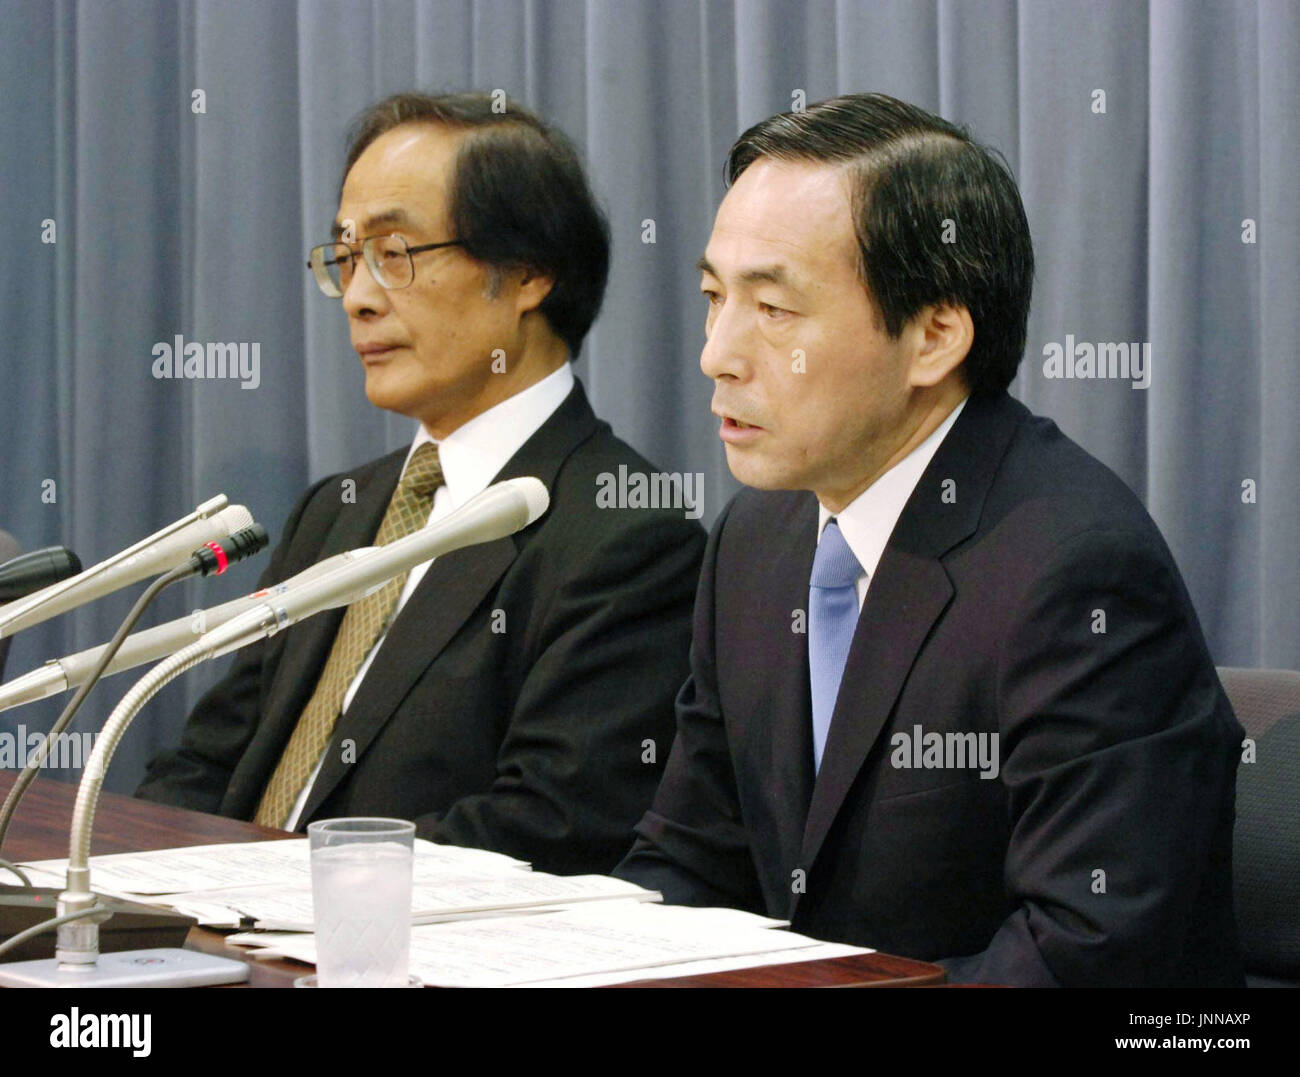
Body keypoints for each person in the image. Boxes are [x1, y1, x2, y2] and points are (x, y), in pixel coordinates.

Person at [614, 92, 1244, 986]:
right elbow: (687, 858)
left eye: (774, 310)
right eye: (715, 298)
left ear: (935, 335)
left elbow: (1086, 952)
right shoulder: (756, 539)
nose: (717, 352)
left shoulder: (1074, 569)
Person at [138, 92, 705, 876]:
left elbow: (549, 824)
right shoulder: (336, 511)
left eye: (395, 251)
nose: (362, 296)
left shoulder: (626, 532)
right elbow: (208, 761)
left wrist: (283, 896)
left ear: (529, 272)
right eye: (344, 257)